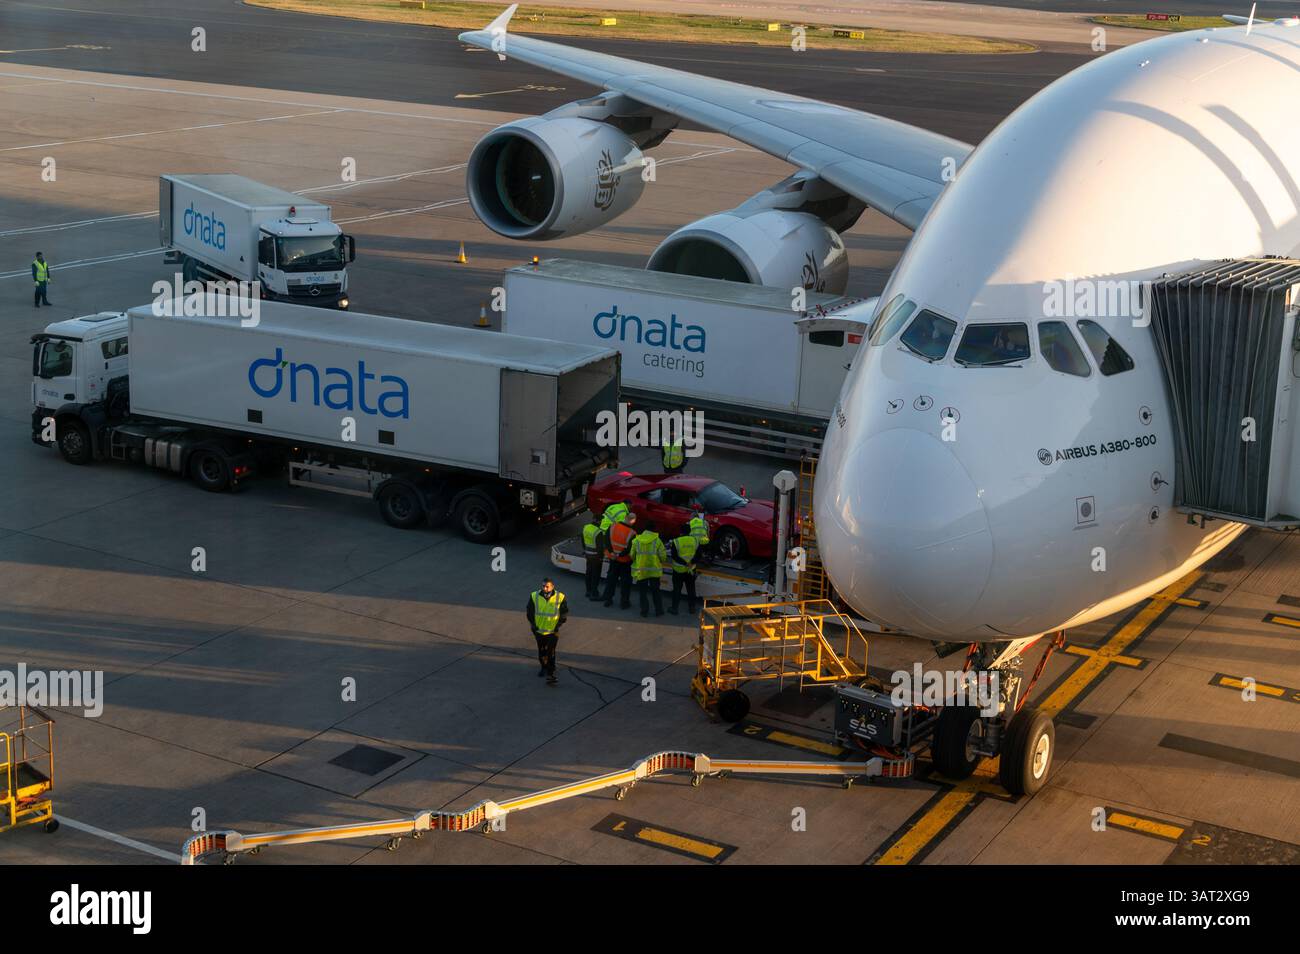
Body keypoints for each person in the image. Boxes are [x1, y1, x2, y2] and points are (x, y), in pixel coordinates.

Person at [526, 577, 568, 686]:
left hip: (553, 631)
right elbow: (529, 612)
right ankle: (543, 667)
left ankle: (551, 673)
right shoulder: (534, 596)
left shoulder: (560, 597)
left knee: (551, 652)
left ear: (552, 586)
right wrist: (533, 625)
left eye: (547, 586)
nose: (545, 588)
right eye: (543, 586)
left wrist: (558, 625)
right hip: (538, 631)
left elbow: (564, 613)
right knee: (542, 651)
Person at [630, 520, 668, 618]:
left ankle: (644, 611)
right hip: (654, 571)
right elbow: (663, 557)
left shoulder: (636, 540)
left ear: (644, 529)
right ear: (654, 529)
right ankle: (659, 611)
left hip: (641, 571)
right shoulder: (657, 540)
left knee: (643, 593)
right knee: (656, 592)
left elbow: (632, 555)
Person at [601, 512, 637, 609]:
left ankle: (608, 600)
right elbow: (629, 548)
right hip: (625, 561)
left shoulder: (613, 526)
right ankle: (624, 603)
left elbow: (606, 540)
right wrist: (619, 555)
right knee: (625, 583)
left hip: (613, 559)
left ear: (625, 518)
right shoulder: (632, 533)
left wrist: (612, 552)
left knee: (611, 580)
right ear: (633, 521)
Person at [669, 522, 700, 615]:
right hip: (691, 570)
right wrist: (691, 563)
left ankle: (674, 608)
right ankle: (692, 608)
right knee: (691, 589)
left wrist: (684, 563)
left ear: (681, 532)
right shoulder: (695, 540)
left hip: (678, 571)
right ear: (690, 531)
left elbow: (674, 556)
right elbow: (699, 555)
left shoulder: (676, 541)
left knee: (677, 590)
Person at [580, 511, 605, 600]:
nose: (601, 522)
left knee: (588, 573)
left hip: (588, 555)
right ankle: (594, 593)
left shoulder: (586, 527)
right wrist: (601, 557)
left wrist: (586, 550)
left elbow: (582, 540)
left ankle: (588, 591)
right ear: (599, 521)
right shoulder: (598, 532)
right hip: (596, 557)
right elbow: (600, 547)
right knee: (595, 575)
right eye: (601, 521)